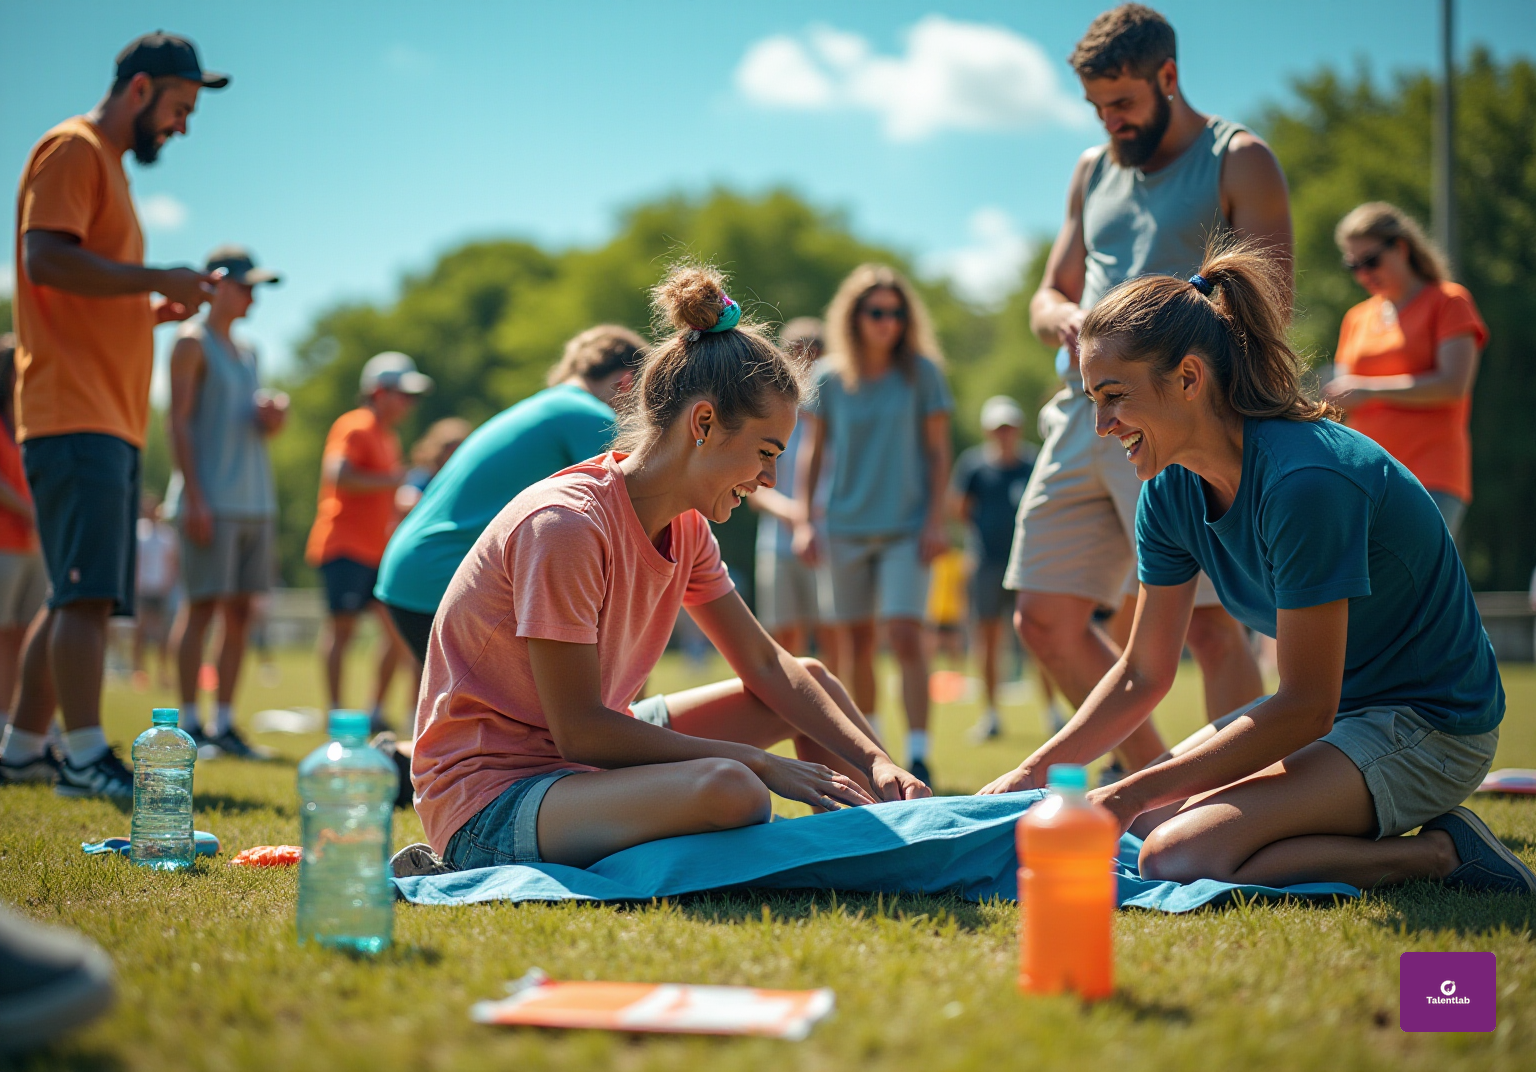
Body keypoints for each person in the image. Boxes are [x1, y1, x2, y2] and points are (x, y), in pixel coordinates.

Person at [980, 239, 1533, 896]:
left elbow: (1304, 705)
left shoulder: (1306, 481)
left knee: (1174, 856)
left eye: (1114, 396)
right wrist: (1032, 773)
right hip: (1336, 721)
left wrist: (1126, 793)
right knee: (1143, 831)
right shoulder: (1168, 490)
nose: (1101, 424)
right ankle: (1328, 819)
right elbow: (1142, 674)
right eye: (1093, 398)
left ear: (1189, 378)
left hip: (1428, 725)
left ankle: (1442, 853)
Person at [404, 266, 928, 874]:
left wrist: (877, 761)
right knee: (731, 789)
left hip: (582, 767)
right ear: (702, 424)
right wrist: (757, 762)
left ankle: (868, 849)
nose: (769, 480)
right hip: (494, 804)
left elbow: (766, 664)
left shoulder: (688, 527)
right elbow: (581, 731)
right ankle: (826, 852)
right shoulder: (566, 525)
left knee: (808, 681)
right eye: (765, 453)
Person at [1008, 4, 1275, 771]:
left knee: (1211, 625)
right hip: (1080, 417)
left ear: (1168, 76)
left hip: (1179, 420)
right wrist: (1063, 317)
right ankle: (1155, 785)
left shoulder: (1240, 158)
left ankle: (1247, 797)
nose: (1110, 123)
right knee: (1043, 618)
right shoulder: (1092, 170)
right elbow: (1044, 295)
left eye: (1122, 104)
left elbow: (1269, 302)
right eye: (1097, 109)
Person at [1, 32, 227, 797]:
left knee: (77, 592)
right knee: (86, 594)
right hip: (74, 413)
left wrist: (146, 306)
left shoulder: (109, 168)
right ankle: (85, 755)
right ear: (141, 90)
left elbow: (82, 281)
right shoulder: (73, 149)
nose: (183, 126)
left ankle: (25, 748)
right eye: (179, 108)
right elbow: (45, 259)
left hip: (106, 416)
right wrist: (153, 274)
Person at [375, 326, 645, 664]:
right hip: (442, 574)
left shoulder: (549, 406)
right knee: (525, 710)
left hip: (415, 568)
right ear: (626, 382)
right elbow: (637, 506)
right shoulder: (590, 416)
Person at [793, 265, 954, 787]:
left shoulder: (922, 373)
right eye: (877, 312)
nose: (888, 323)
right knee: (855, 642)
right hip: (843, 526)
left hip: (907, 528)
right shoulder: (828, 379)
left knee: (907, 635)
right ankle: (877, 750)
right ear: (854, 317)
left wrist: (936, 520)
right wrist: (805, 519)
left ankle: (921, 750)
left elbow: (938, 453)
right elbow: (814, 452)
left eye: (896, 313)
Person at [165, 245, 286, 758]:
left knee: (240, 614)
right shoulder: (190, 343)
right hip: (209, 500)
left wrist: (272, 418)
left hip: (254, 502)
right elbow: (179, 421)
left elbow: (249, 426)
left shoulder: (250, 351)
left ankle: (225, 724)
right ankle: (190, 725)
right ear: (218, 285)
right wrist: (195, 496)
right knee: (200, 608)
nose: (253, 297)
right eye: (246, 286)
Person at [1325, 202, 1486, 542]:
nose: (1364, 273)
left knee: (1416, 584)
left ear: (1401, 247)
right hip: (1365, 476)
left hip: (1430, 474)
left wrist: (1370, 390)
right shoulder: (1356, 317)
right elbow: (1345, 393)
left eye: (1371, 260)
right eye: (1353, 265)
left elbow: (1453, 385)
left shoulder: (1449, 302)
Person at [305, 353, 431, 731]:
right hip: (343, 544)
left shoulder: (387, 437)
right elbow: (338, 475)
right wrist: (397, 480)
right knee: (341, 631)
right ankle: (335, 713)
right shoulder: (355, 425)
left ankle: (374, 711)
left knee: (396, 634)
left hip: (378, 550)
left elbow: (385, 492)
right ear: (379, 392)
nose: (409, 404)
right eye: (403, 394)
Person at [950, 396, 1051, 743]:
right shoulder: (974, 467)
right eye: (998, 428)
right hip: (987, 564)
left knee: (1038, 639)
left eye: (1009, 427)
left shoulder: (1034, 464)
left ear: (1018, 429)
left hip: (1029, 564)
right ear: (988, 431)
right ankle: (991, 715)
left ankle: (1052, 713)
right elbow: (960, 508)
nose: (1004, 434)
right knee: (987, 641)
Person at [747, 318, 836, 661]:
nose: (806, 363)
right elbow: (752, 488)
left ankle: (834, 713)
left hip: (828, 539)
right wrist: (797, 516)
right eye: (796, 354)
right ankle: (787, 715)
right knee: (783, 639)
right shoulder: (770, 417)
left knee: (833, 636)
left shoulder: (837, 417)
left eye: (814, 354)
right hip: (777, 543)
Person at [0, 340, 46, 757]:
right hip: (5, 546)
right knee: (3, 636)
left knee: (25, 635)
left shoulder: (29, 424)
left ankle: (18, 719)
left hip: (34, 548)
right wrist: (33, 512)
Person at [133, 494, 177, 691]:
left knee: (162, 634)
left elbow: (172, 562)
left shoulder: (168, 535)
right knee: (139, 632)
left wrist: (169, 584)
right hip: (142, 588)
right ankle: (139, 671)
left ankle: (162, 671)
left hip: (160, 589)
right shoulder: (138, 531)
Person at [395, 417, 472, 517]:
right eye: (450, 451)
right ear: (439, 451)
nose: (455, 457)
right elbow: (405, 500)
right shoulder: (423, 475)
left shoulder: (463, 478)